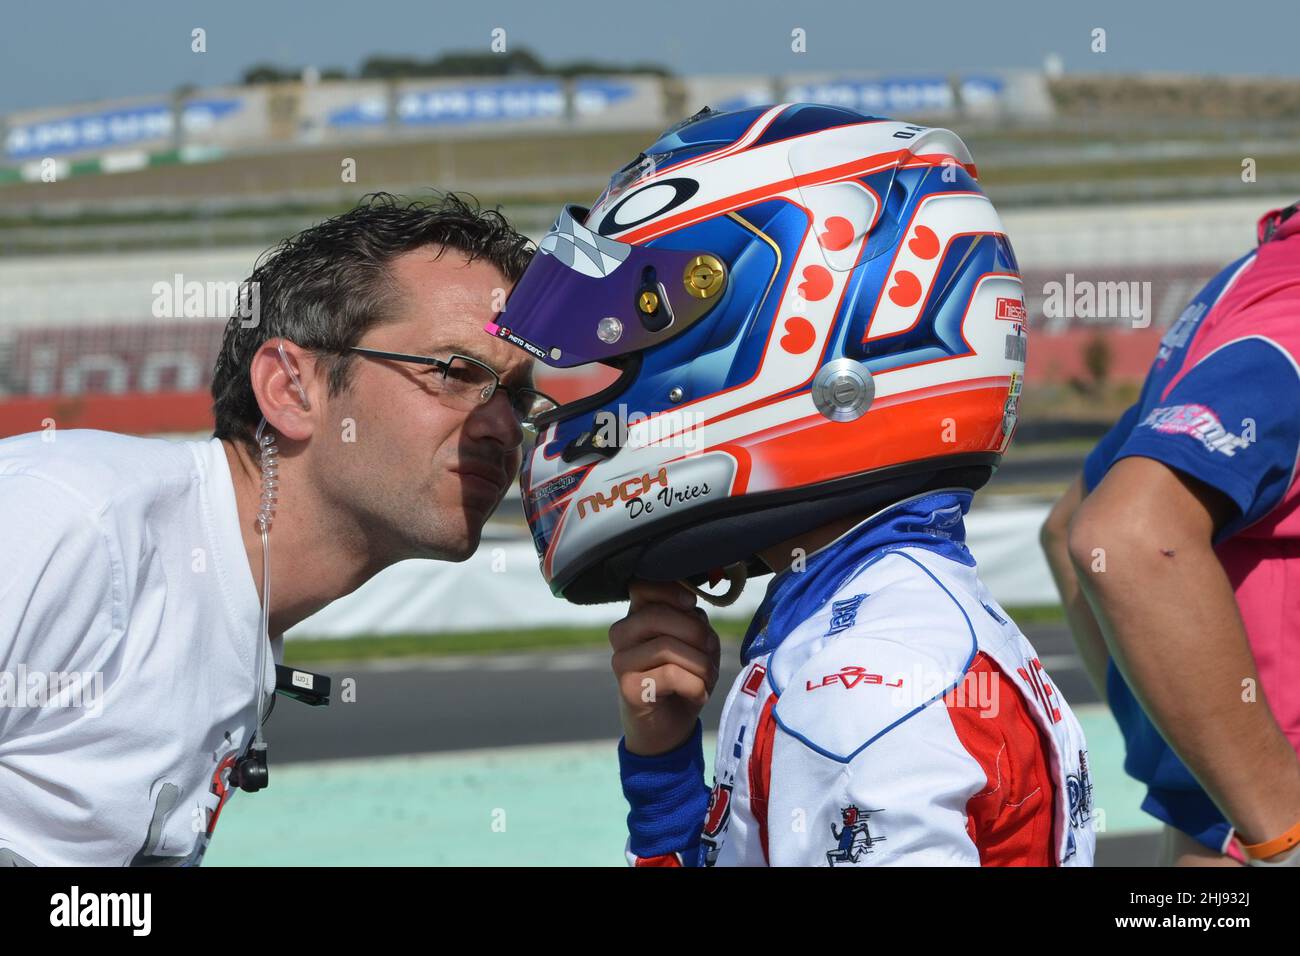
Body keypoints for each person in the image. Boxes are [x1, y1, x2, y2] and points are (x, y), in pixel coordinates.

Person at [489, 104, 1095, 865]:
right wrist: (664, 769)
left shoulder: (862, 691)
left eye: (645, 323)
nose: (574, 387)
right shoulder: (894, 623)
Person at [0, 193, 550, 866]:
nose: (502, 426)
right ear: (292, 390)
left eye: (519, 397)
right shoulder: (68, 520)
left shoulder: (244, 621)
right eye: (456, 373)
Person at [1041, 202, 1300, 867]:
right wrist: (1282, 827)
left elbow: (1073, 528)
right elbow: (1128, 539)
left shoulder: (1256, 277)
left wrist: (1179, 754)